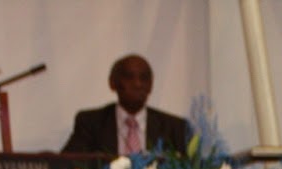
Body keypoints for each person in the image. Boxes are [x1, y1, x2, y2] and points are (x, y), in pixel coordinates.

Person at [62, 54, 191, 156]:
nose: (138, 84)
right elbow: (65, 167)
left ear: (151, 86)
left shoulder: (174, 128)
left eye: (144, 78)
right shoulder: (91, 124)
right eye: (129, 77)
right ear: (113, 83)